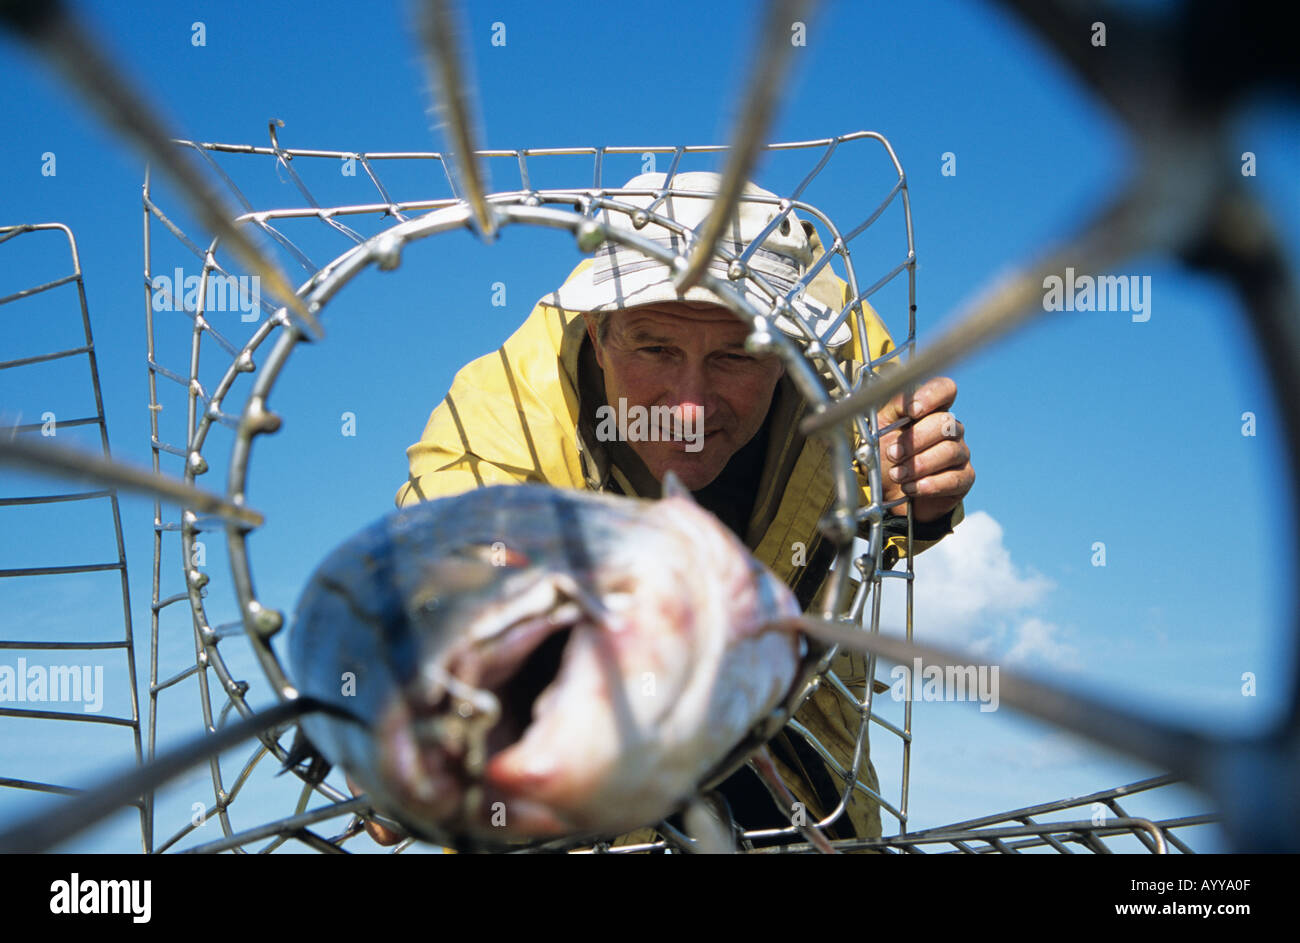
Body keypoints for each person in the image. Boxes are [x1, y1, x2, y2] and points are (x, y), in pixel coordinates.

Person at [365, 171, 975, 848]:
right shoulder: (494, 423)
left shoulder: (851, 363)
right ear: (598, 333)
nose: (690, 408)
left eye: (736, 354)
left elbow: (877, 512)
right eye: (656, 348)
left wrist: (913, 499)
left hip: (803, 783)